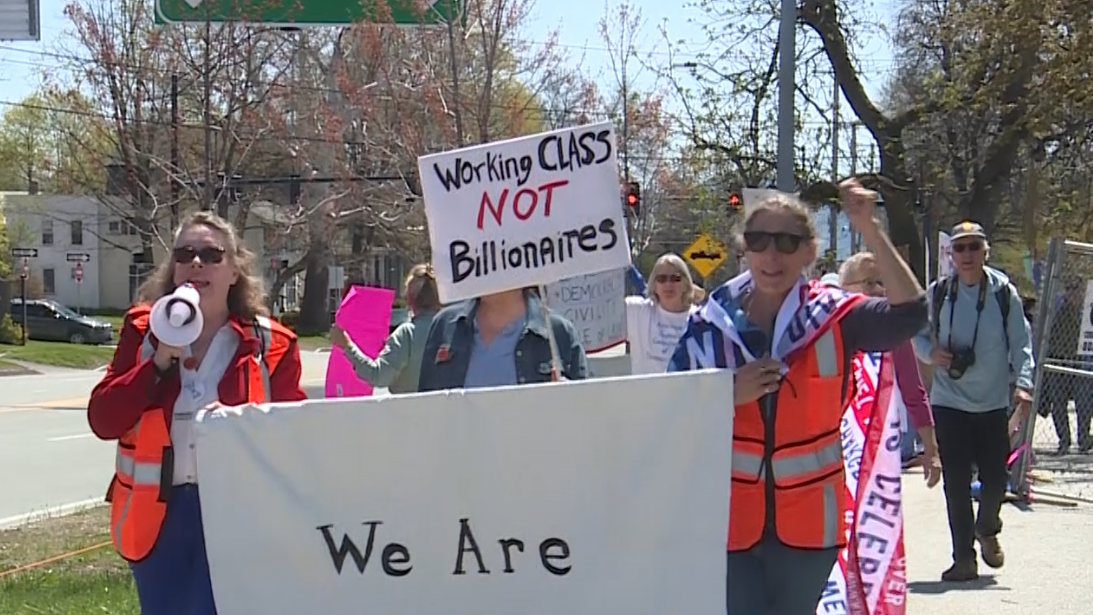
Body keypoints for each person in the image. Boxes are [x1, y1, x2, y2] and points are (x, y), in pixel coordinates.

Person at [668, 181, 927, 615]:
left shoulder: (834, 317)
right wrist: (728, 393)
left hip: (809, 527)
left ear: (809, 252)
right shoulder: (709, 324)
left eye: (787, 242)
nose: (772, 255)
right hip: (726, 522)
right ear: (743, 250)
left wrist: (869, 226)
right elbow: (665, 410)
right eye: (759, 241)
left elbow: (910, 315)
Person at [86, 212, 306, 615]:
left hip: (235, 513)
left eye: (211, 254)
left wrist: (241, 425)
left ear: (235, 270)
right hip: (157, 518)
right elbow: (104, 419)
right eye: (185, 253)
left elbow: (294, 439)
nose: (197, 263)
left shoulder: (270, 344)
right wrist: (157, 363)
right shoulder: (143, 332)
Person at [912, 221, 1034, 582]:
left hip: (992, 402)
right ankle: (963, 558)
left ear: (985, 252)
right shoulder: (938, 293)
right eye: (959, 248)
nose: (966, 255)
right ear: (950, 254)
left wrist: (1023, 384)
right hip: (950, 401)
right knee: (956, 482)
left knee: (997, 477)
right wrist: (931, 352)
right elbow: (916, 336)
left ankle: (987, 527)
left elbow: (1021, 343)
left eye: (973, 248)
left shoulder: (1003, 293)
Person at [839, 252, 942, 482]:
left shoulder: (894, 335)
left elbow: (913, 391)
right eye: (869, 282)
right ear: (845, 287)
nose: (879, 290)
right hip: (833, 446)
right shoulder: (827, 326)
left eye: (882, 283)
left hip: (879, 446)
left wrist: (931, 449)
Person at [418, 287, 588, 391]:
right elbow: (426, 418)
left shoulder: (558, 333)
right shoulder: (445, 326)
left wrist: (567, 400)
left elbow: (584, 423)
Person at [330, 264, 441, 394]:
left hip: (410, 411)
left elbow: (378, 376)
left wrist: (347, 345)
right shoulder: (452, 329)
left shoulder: (407, 334)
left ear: (410, 298)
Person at [624, 253, 698, 374]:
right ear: (654, 284)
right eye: (661, 279)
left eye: (675, 278)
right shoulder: (638, 311)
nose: (668, 284)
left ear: (686, 284)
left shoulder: (699, 320)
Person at [1043, 280, 1089, 453]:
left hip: (1080, 362)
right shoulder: (1057, 308)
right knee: (1058, 402)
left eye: (1076, 290)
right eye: (1069, 290)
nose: (1073, 294)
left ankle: (1083, 439)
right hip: (1057, 360)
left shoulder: (1086, 312)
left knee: (1083, 403)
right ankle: (1064, 441)